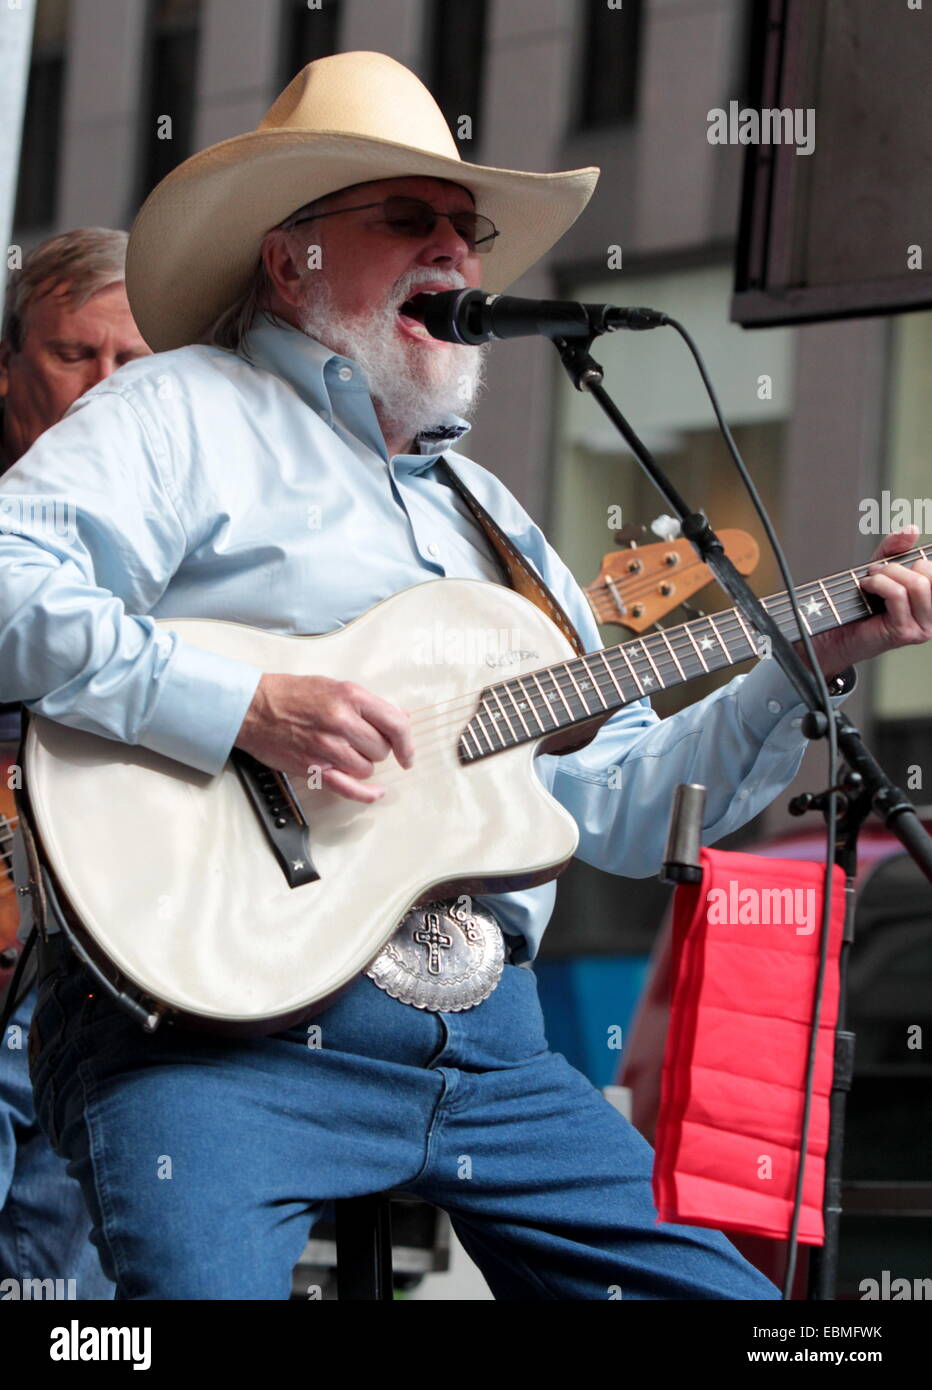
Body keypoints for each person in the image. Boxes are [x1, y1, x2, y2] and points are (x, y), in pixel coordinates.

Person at [0, 52, 929, 1301]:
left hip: (492, 1049)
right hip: (213, 1042)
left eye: (466, 229)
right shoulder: (179, 413)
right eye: (405, 218)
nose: (453, 253)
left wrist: (801, 663)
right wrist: (242, 708)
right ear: (292, 259)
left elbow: (618, 801)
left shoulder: (492, 521)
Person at [0, 227, 150, 1299]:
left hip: (106, 981)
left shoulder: (187, 537)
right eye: (73, 355)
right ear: (8, 369)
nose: (104, 388)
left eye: (133, 363)